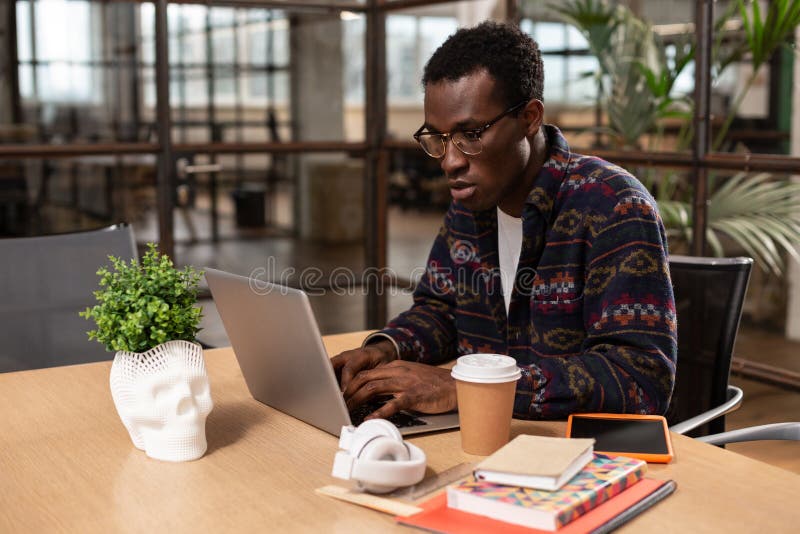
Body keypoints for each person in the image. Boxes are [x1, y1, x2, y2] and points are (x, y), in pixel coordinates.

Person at [332, 21, 676, 421]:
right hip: (489, 437)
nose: (450, 161)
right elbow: (442, 311)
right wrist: (384, 349)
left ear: (529, 117)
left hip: (578, 454)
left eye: (470, 134)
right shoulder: (472, 202)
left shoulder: (613, 207)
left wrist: (468, 389)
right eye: (437, 138)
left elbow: (639, 379)